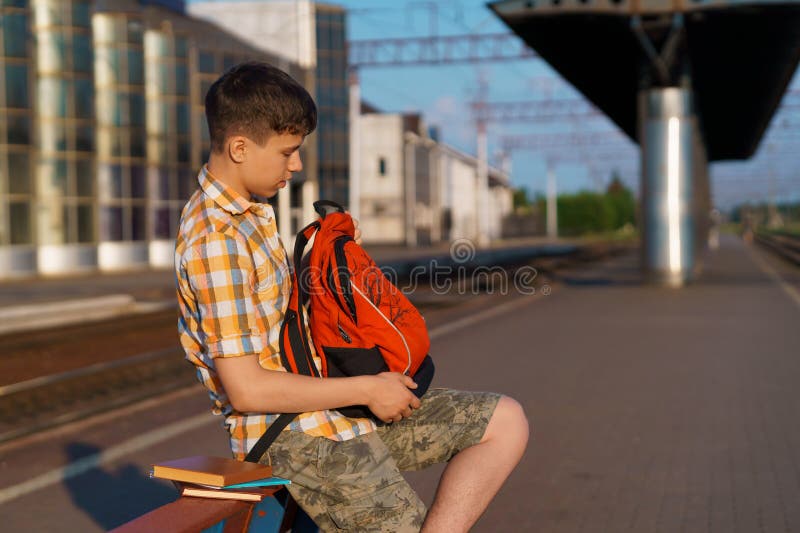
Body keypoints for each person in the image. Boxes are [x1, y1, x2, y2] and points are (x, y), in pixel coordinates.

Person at [175, 61, 529, 532]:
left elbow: (284, 318)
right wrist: (368, 389)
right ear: (239, 147)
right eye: (287, 152)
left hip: (329, 408)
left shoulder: (250, 212)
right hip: (289, 435)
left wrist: (328, 253)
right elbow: (247, 389)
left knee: (505, 423)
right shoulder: (215, 239)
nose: (296, 165)